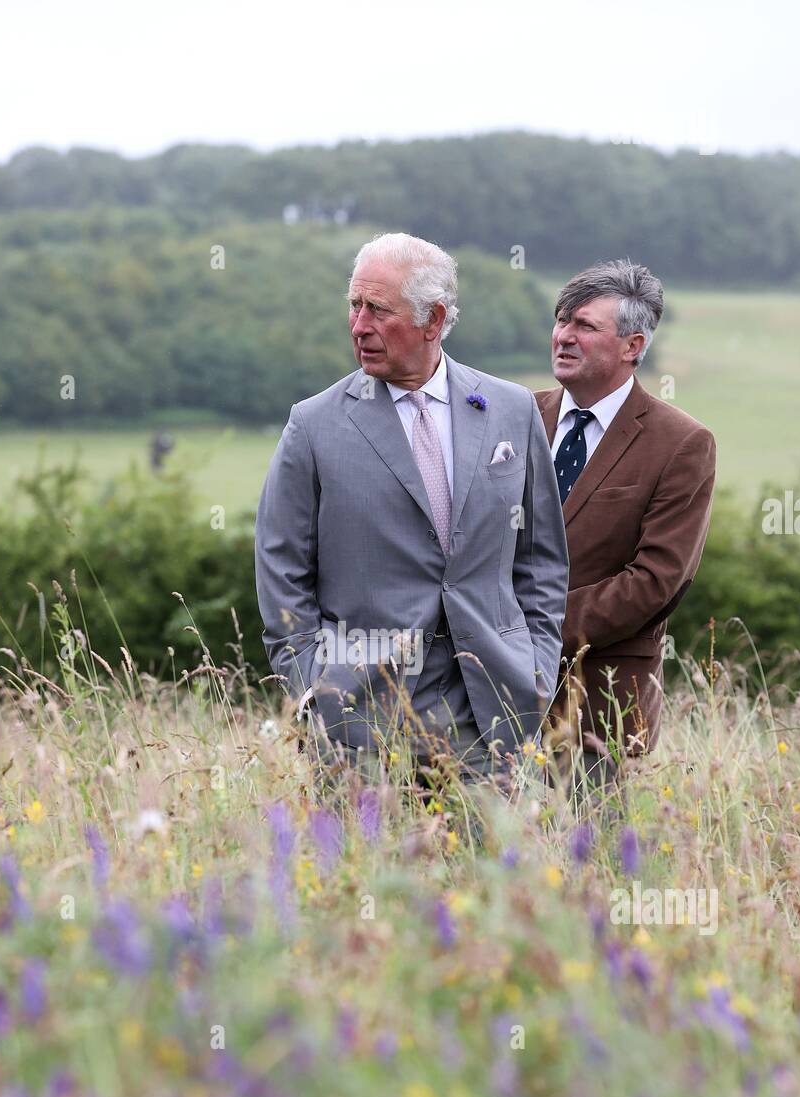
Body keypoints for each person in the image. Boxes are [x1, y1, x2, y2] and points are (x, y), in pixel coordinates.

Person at [254, 232, 568, 790]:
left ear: (434, 319)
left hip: (490, 711)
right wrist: (313, 688)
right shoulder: (313, 425)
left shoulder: (512, 410)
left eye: (378, 309)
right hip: (359, 719)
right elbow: (282, 573)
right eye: (354, 305)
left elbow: (542, 559)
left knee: (489, 875)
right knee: (366, 877)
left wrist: (536, 668)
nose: (359, 324)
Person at [535, 260, 716, 774]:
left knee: (595, 854)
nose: (564, 337)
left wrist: (529, 633)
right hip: (485, 702)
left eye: (585, 326)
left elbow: (655, 581)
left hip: (600, 707)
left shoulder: (681, 444)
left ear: (632, 346)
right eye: (561, 321)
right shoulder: (518, 415)